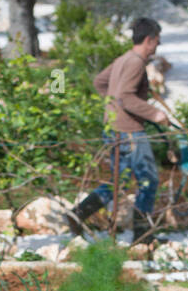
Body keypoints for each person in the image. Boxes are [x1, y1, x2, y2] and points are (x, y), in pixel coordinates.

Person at [66, 16, 170, 245]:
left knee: (118, 181)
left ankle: (78, 214)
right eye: (157, 42)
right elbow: (126, 97)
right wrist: (156, 115)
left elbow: (99, 83)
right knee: (148, 180)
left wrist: (113, 106)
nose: (157, 47)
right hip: (130, 131)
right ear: (149, 40)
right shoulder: (135, 63)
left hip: (114, 128)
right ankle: (143, 237)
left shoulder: (123, 59)